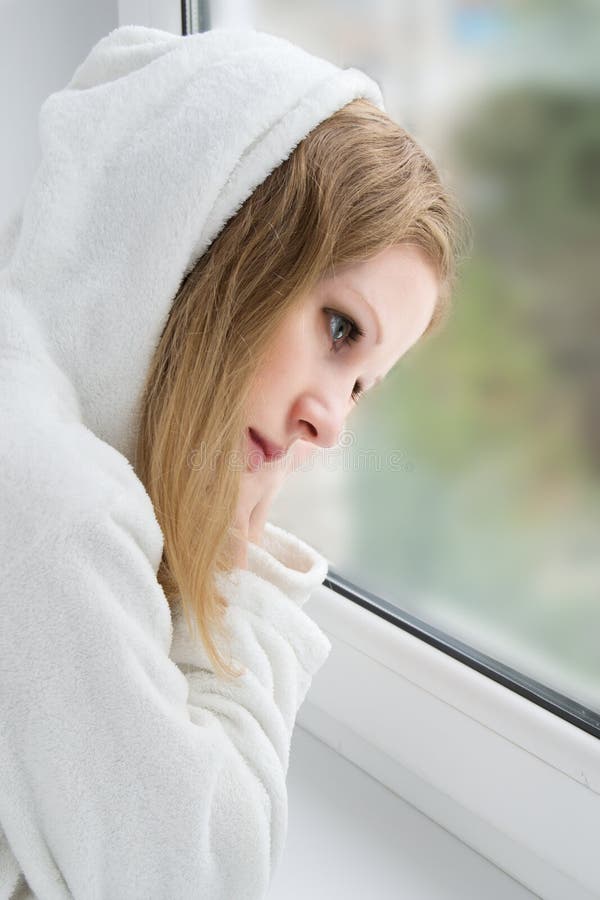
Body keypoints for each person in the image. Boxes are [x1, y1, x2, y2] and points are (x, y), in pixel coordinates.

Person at [0, 23, 466, 900]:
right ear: (221, 234)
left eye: (362, 385)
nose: (331, 427)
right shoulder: (50, 508)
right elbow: (202, 877)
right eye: (340, 329)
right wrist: (234, 581)